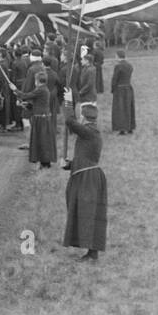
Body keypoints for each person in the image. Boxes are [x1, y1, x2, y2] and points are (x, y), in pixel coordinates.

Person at [62, 102, 107, 261]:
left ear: (84, 117)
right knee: (83, 212)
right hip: (84, 175)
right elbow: (85, 157)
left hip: (89, 179)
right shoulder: (89, 132)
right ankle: (90, 252)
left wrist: (67, 103)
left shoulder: (90, 131)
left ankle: (92, 253)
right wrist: (70, 165)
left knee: (88, 214)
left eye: (80, 115)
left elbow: (70, 122)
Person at [111, 48, 136, 134]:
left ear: (118, 56)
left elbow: (115, 79)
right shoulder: (129, 65)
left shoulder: (118, 66)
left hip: (120, 89)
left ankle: (122, 129)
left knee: (120, 109)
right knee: (129, 108)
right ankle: (130, 127)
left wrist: (113, 88)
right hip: (128, 88)